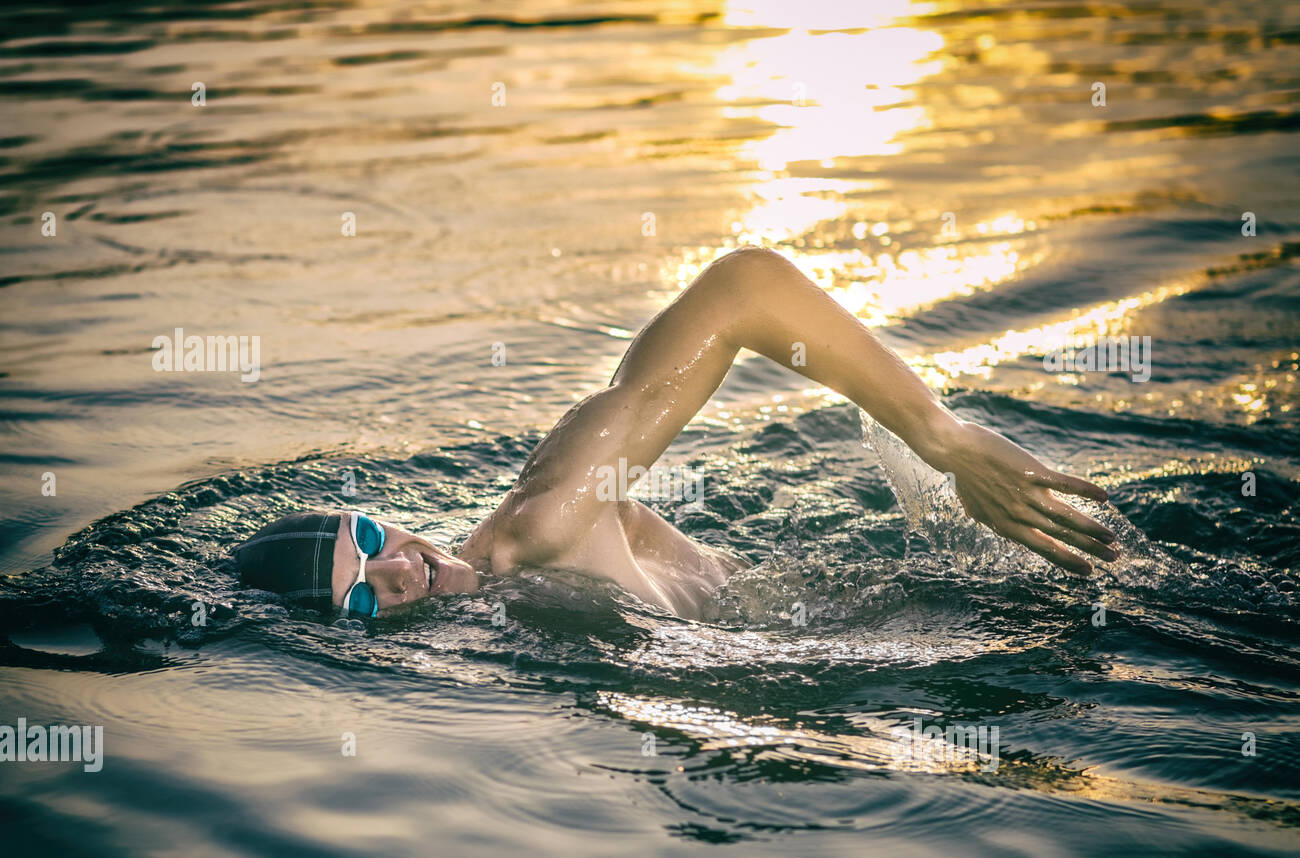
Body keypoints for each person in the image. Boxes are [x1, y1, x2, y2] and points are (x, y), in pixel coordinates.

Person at [235, 246, 1119, 621]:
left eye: (367, 541)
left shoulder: (540, 523)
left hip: (922, 622)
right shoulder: (494, 626)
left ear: (384, 521)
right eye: (359, 593)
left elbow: (741, 290)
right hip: (896, 610)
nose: (395, 572)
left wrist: (942, 437)